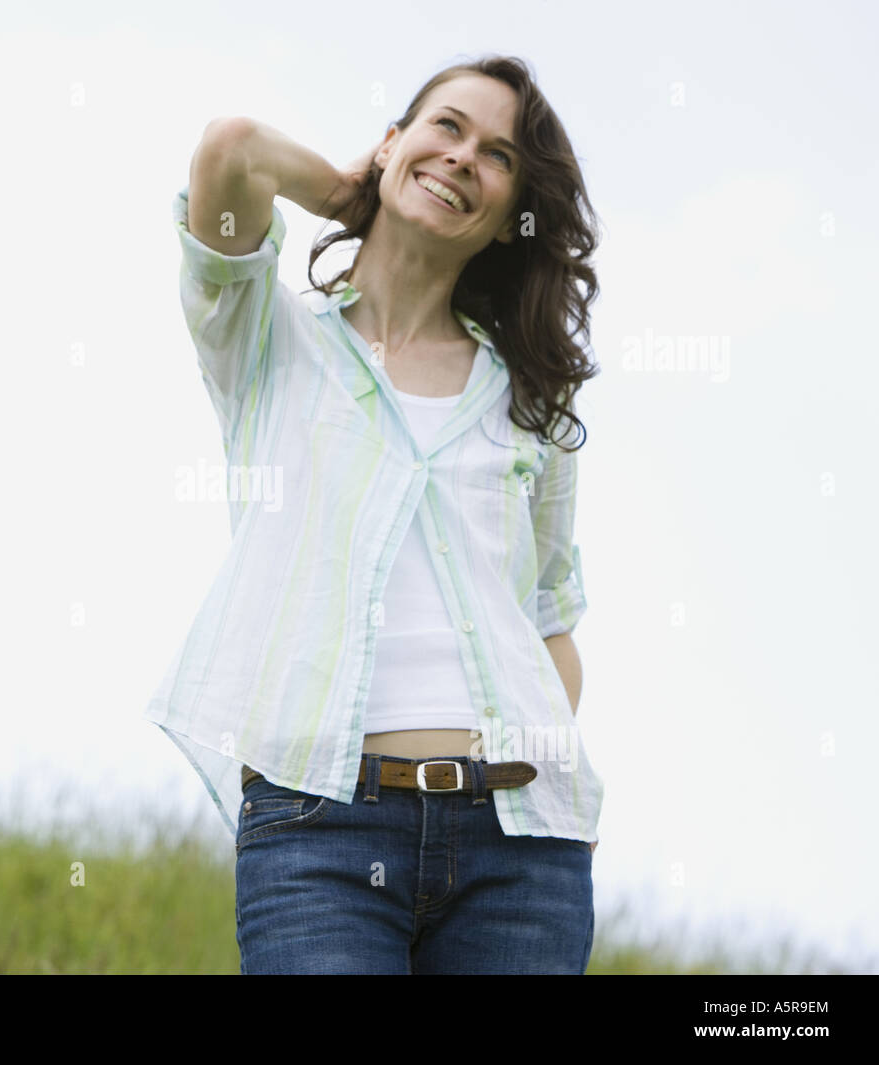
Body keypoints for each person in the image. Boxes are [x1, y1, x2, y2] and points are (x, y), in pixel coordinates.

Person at [145, 55, 605, 974]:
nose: (466, 156)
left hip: (520, 850)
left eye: (498, 155)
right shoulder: (268, 338)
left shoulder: (529, 404)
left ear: (512, 213)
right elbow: (231, 152)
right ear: (391, 141)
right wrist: (359, 195)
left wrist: (554, 782)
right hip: (321, 829)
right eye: (446, 126)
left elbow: (550, 622)